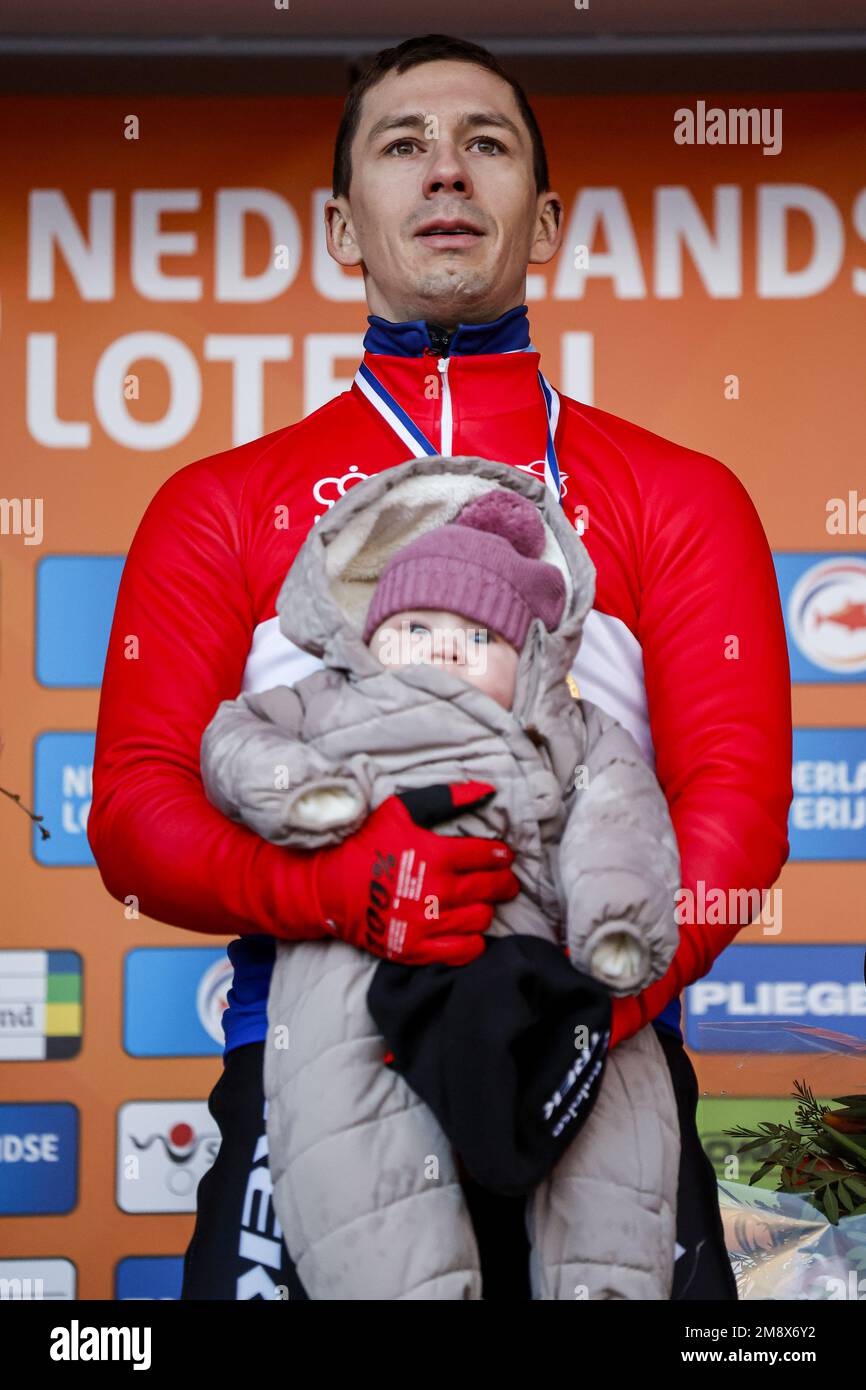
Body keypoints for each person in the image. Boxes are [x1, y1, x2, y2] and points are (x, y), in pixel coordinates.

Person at [87, 33, 793, 1301]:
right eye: (403, 146)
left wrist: (594, 1011)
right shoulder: (218, 503)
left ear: (550, 217)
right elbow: (137, 813)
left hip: (600, 1061)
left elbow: (732, 810)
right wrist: (340, 896)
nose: (446, 174)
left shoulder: (680, 495)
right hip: (311, 1063)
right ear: (341, 227)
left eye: (486, 144)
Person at [198, 457, 682, 1300]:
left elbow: (619, 813)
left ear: (529, 655)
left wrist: (614, 923)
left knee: (612, 1127)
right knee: (352, 1130)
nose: (443, 647)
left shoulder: (565, 724)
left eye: (479, 636)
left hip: (543, 965)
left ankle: (602, 1283)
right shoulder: (327, 701)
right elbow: (232, 744)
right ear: (368, 637)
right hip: (360, 961)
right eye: (414, 629)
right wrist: (308, 796)